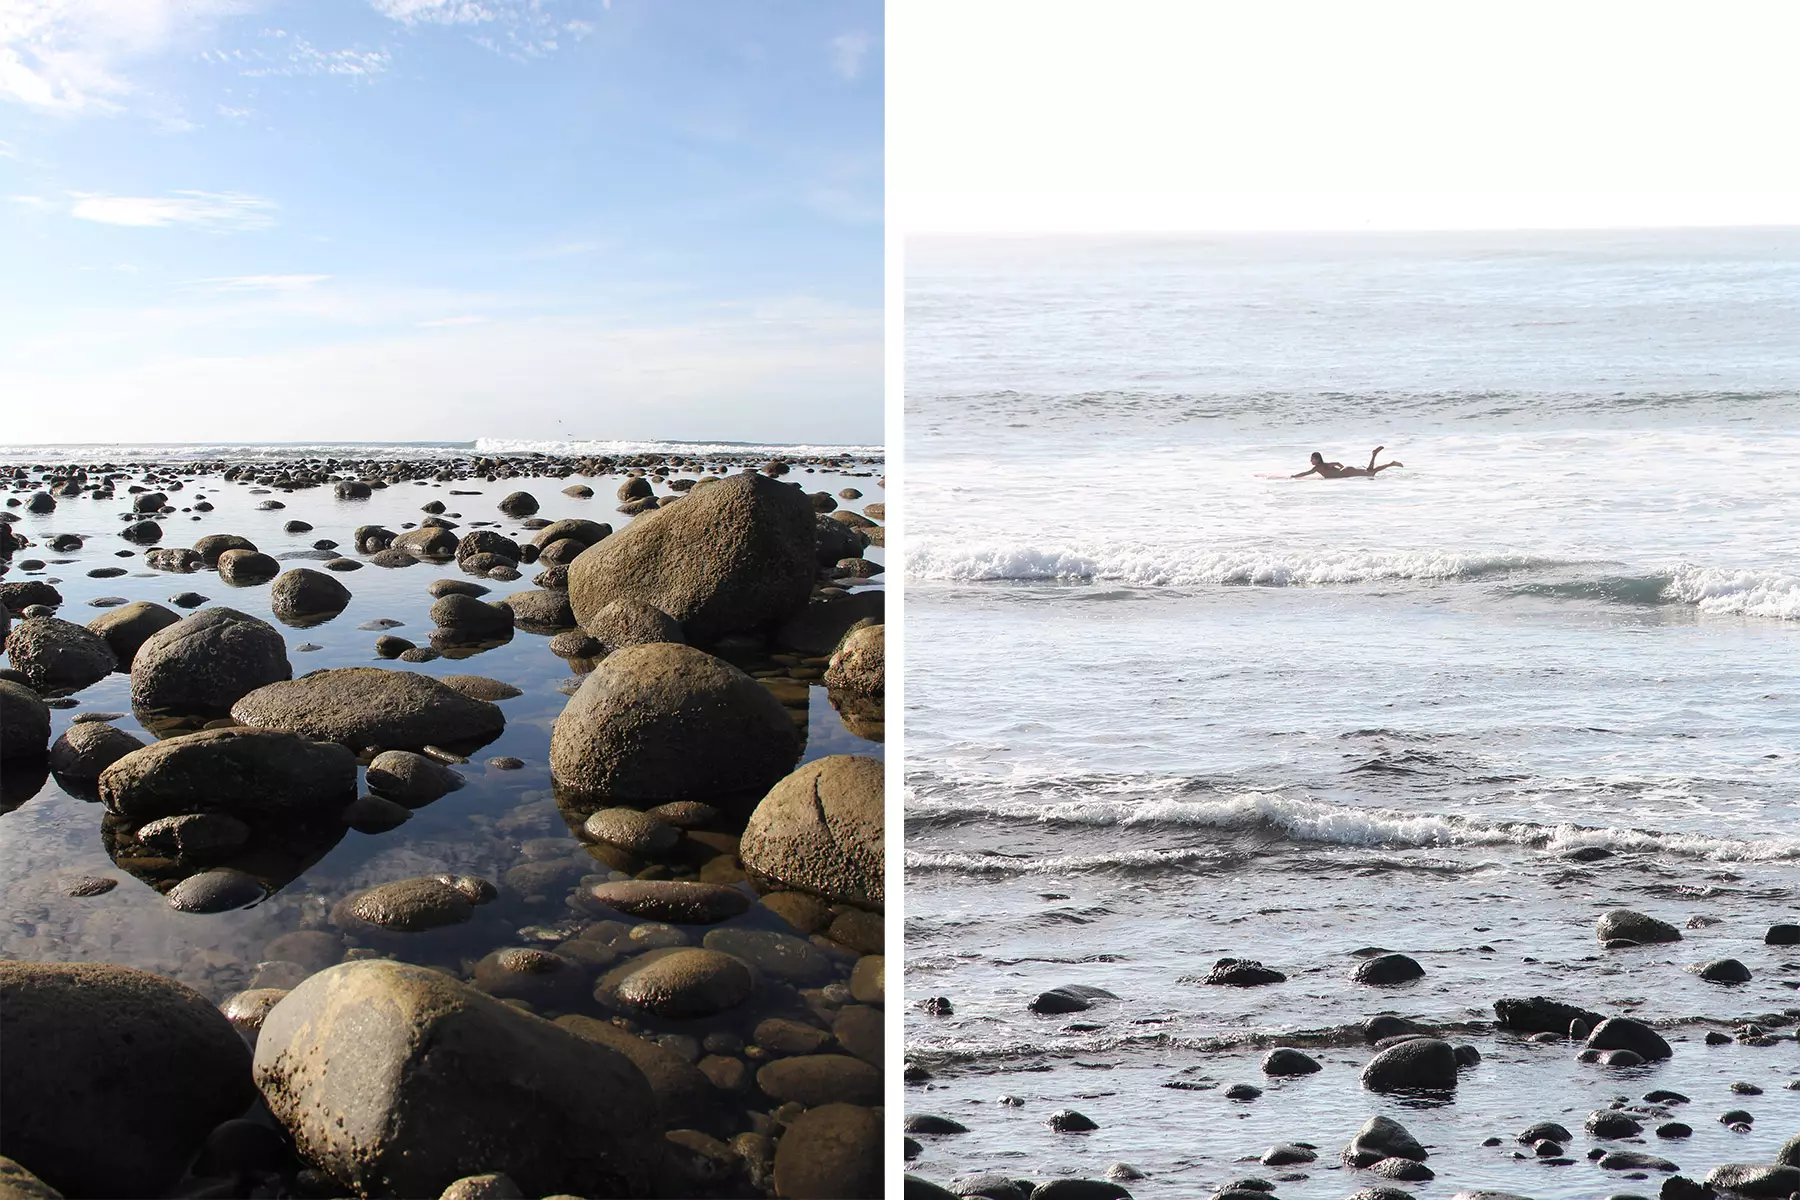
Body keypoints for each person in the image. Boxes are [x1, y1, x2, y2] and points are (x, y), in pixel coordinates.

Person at [1292, 446, 1403, 479]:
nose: (1311, 460)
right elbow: (1337, 463)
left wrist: (1294, 476)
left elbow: (1305, 473)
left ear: (1317, 459)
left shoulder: (1318, 467)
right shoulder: (1326, 465)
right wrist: (1342, 469)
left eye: (1312, 459)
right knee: (1370, 472)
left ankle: (1377, 456)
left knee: (1371, 473)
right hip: (1347, 471)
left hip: (1347, 473)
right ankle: (1385, 460)